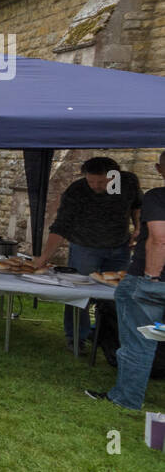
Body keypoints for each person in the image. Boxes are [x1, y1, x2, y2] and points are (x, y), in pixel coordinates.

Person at [33, 156, 141, 350]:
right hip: (84, 248)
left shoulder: (129, 182)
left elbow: (136, 206)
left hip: (120, 248)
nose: (95, 186)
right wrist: (44, 258)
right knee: (78, 294)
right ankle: (76, 338)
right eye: (91, 181)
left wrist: (139, 228)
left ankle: (109, 337)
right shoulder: (77, 191)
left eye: (101, 181)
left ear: (114, 176)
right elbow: (60, 227)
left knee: (117, 295)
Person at [86, 149, 165, 411]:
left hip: (153, 281)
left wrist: (151, 278)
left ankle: (126, 398)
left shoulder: (158, 196)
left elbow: (159, 238)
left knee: (139, 344)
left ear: (159, 169)